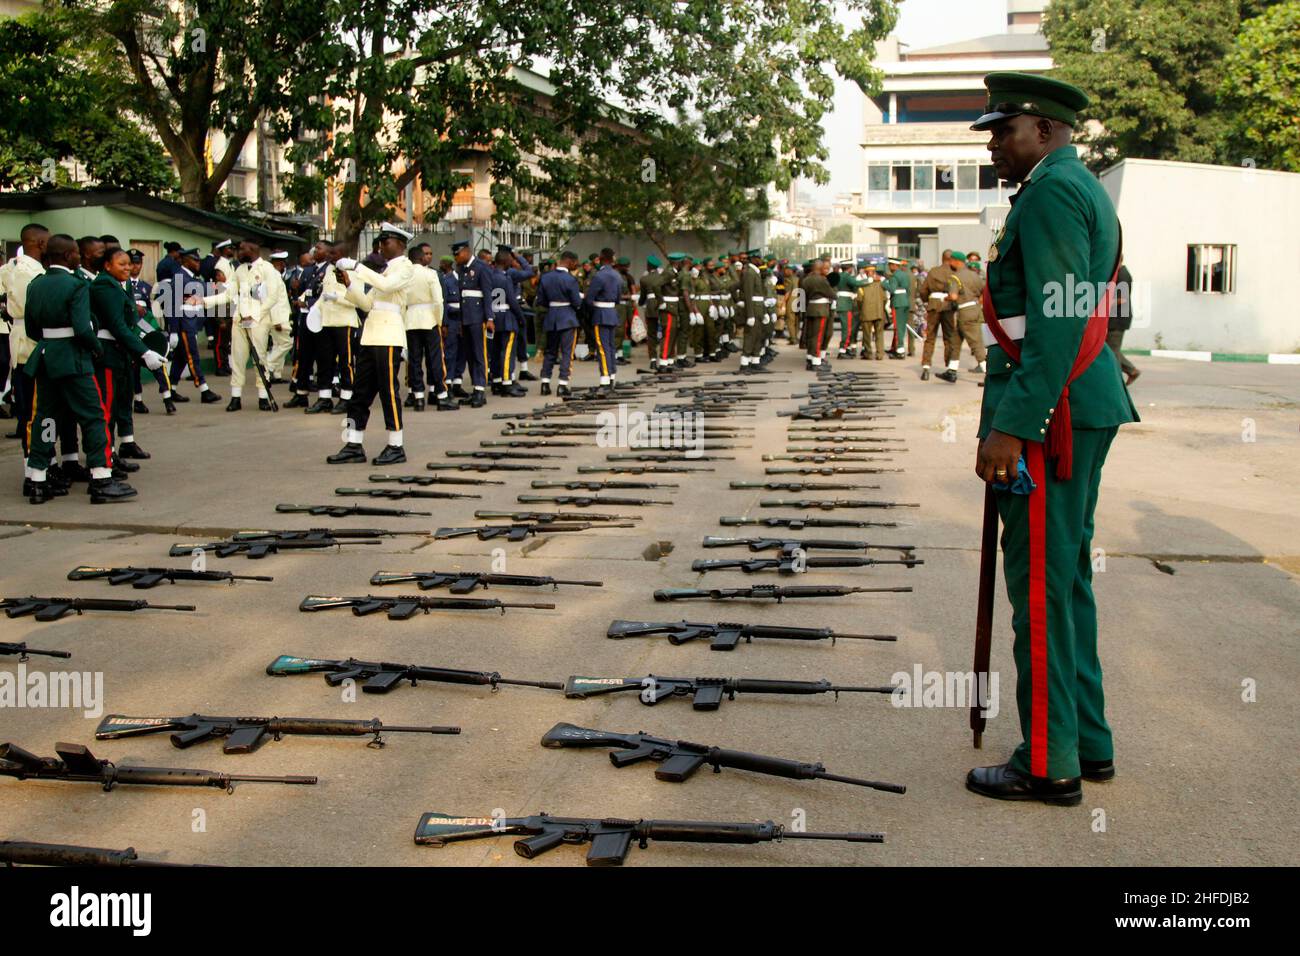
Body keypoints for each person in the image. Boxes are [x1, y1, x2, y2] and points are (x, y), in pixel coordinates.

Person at [968, 71, 1138, 805]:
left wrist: (1013, 426)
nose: (995, 145)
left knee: (1039, 585)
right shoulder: (1076, 186)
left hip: (1050, 415)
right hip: (1075, 402)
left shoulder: (1050, 194)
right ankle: (1086, 743)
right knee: (1065, 580)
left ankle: (1047, 762)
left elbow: (1059, 320)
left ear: (1044, 129)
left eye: (1004, 131)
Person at [22, 234, 135, 504]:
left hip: (47, 355)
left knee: (46, 419)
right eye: (75, 253)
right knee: (93, 417)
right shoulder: (75, 285)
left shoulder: (35, 284)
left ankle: (38, 478)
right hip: (74, 358)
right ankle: (101, 478)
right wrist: (96, 348)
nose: (78, 257)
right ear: (68, 255)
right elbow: (83, 328)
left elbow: (31, 329)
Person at [327, 222, 415, 466]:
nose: (381, 247)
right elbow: (367, 304)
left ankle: (396, 445)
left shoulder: (405, 268)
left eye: (386, 242)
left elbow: (386, 287)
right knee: (359, 394)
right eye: (380, 242)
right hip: (371, 336)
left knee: (388, 393)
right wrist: (348, 283)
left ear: (400, 244)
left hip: (388, 337)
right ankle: (353, 443)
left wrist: (356, 266)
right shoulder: (383, 270)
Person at [89, 248, 167, 466]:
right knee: (106, 409)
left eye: (128, 264)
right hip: (108, 352)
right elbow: (117, 325)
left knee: (120, 403)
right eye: (121, 264)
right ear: (107, 266)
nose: (128, 268)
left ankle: (117, 450)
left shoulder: (116, 284)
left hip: (120, 350)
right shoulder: (105, 285)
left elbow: (129, 322)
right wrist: (143, 351)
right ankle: (105, 461)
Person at [195, 237, 287, 411]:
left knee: (259, 359)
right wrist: (203, 301)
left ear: (251, 250)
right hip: (240, 321)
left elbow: (273, 297)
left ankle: (263, 397)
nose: (238, 253)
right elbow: (228, 295)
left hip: (258, 321)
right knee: (237, 359)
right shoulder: (240, 270)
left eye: (241, 249)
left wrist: (256, 316)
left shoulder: (267, 269)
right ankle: (235, 398)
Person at [156, 248, 220, 405]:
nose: (198, 263)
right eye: (195, 260)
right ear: (185, 261)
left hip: (192, 324)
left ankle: (171, 389)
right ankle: (204, 390)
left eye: (198, 260)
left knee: (181, 359)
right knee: (193, 356)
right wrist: (173, 331)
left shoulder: (192, 278)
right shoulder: (179, 278)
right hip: (184, 325)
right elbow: (173, 306)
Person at [403, 242, 455, 411]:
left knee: (415, 361)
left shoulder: (405, 275)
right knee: (436, 359)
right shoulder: (431, 274)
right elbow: (438, 301)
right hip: (429, 319)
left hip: (410, 320)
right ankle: (441, 396)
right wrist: (439, 321)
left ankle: (418, 398)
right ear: (420, 257)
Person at [126, 249, 175, 415]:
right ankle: (138, 401)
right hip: (131, 331)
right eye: (132, 263)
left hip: (146, 330)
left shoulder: (146, 287)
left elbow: (151, 313)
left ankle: (167, 398)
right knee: (134, 369)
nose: (135, 267)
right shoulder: (121, 285)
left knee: (158, 363)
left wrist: (158, 330)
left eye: (138, 263)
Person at [452, 239, 493, 407]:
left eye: (458, 254)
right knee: (469, 355)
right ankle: (475, 389)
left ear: (466, 252)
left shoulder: (481, 268)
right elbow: (462, 297)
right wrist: (461, 321)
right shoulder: (462, 269)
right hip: (467, 319)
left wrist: (489, 318)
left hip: (478, 318)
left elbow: (487, 294)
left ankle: (480, 390)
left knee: (479, 354)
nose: (456, 258)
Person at [537, 250, 583, 396]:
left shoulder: (546, 278)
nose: (576, 265)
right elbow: (576, 302)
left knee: (550, 351)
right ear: (569, 261)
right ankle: (562, 384)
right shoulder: (570, 279)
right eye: (575, 263)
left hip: (551, 317)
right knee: (567, 352)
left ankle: (545, 383)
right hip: (567, 318)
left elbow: (541, 301)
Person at [948, 251, 988, 377]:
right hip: (975, 309)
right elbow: (984, 291)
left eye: (951, 260)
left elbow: (953, 296)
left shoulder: (955, 276)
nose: (950, 263)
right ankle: (951, 371)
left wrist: (946, 298)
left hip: (964, 312)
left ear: (956, 262)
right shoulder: (975, 275)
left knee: (976, 344)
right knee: (956, 341)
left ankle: (988, 373)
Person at [920, 249, 957, 380]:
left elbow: (923, 290)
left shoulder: (933, 271)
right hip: (948, 306)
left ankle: (925, 367)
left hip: (933, 304)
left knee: (930, 337)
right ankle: (950, 367)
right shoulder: (954, 272)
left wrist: (927, 301)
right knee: (949, 337)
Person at [1107, 257, 1139, 385]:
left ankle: (1116, 381)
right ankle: (1131, 371)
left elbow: (1123, 299)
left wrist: (1105, 303)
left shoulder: (1123, 275)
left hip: (1119, 319)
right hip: (1115, 318)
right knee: (1111, 349)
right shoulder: (1120, 274)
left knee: (1112, 351)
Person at [856, 264, 889, 359]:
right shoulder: (880, 284)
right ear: (874, 272)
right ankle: (880, 354)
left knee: (867, 335)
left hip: (866, 313)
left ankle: (868, 353)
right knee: (879, 334)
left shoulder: (862, 285)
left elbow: (859, 300)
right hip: (879, 312)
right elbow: (885, 299)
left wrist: (861, 310)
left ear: (866, 273)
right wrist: (881, 308)